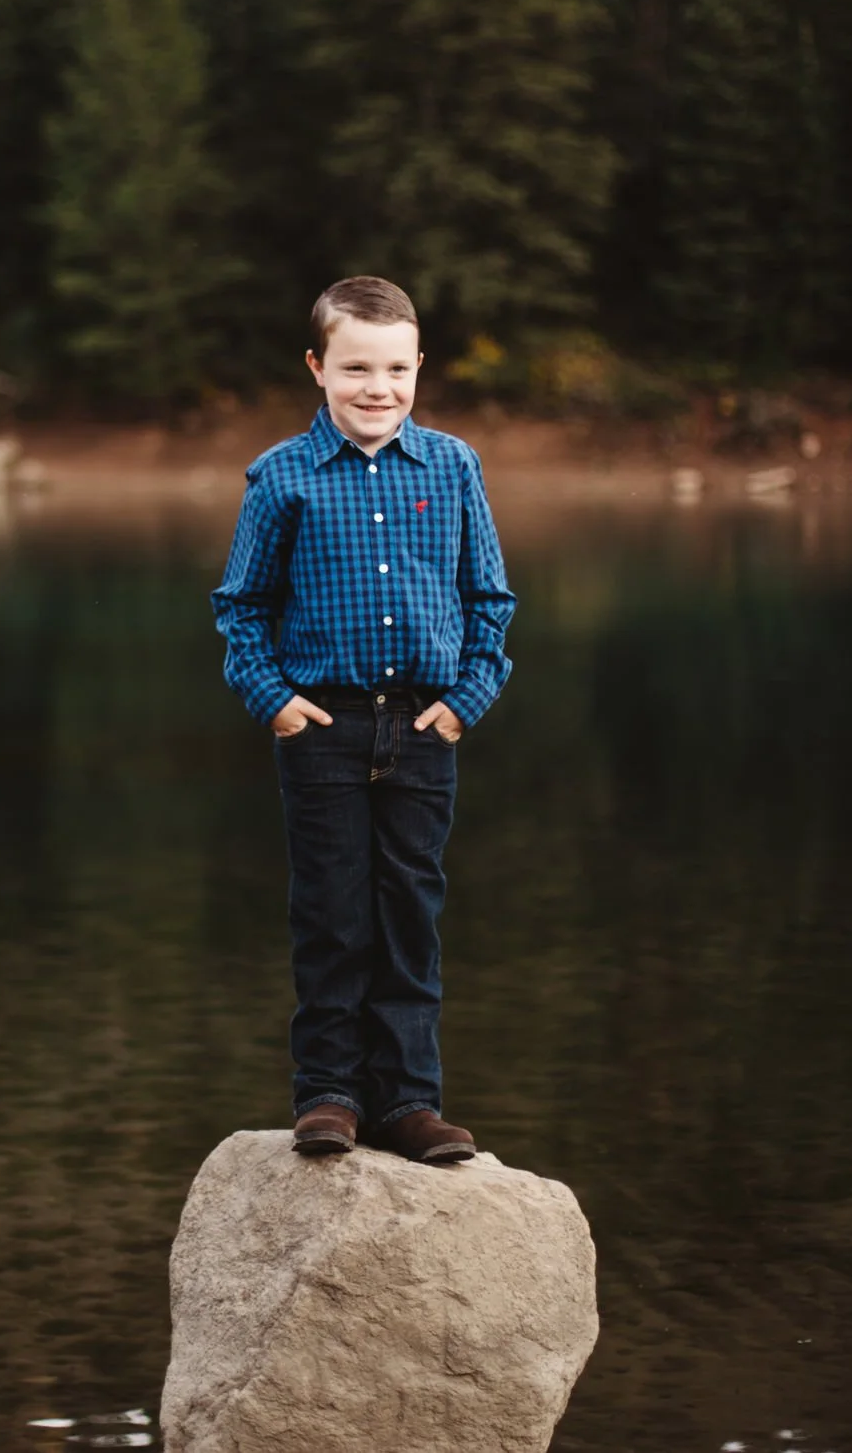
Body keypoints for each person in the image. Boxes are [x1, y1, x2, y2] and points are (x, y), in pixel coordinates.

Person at [211, 276, 517, 1164]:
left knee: (409, 914)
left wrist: (465, 702)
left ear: (419, 366)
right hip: (324, 727)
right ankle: (332, 1094)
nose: (376, 387)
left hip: (424, 726)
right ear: (317, 368)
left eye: (393, 368)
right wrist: (272, 700)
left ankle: (410, 1102)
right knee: (333, 914)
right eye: (354, 368)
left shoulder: (454, 467)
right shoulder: (281, 477)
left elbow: (489, 598)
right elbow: (241, 606)